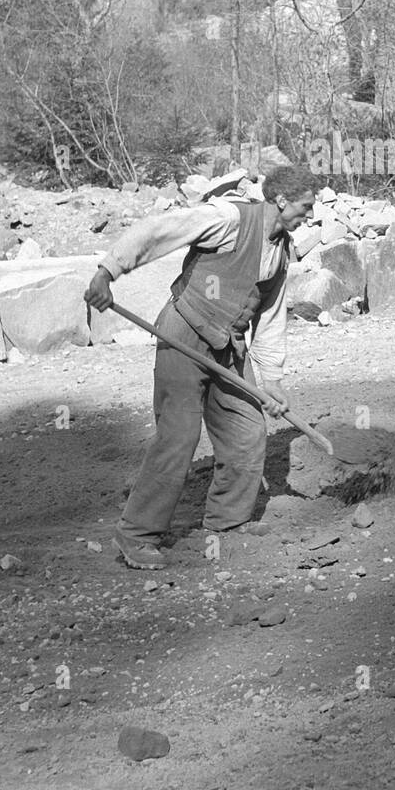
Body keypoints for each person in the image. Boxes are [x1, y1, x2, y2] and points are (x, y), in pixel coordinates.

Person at [84, 163, 318, 569]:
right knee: (178, 435)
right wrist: (109, 271)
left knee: (247, 430)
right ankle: (137, 533)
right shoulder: (228, 218)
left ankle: (227, 521)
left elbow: (271, 315)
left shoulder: (281, 251)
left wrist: (274, 380)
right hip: (185, 333)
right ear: (281, 200)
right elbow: (159, 229)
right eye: (305, 206)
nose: (310, 215)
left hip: (228, 345)